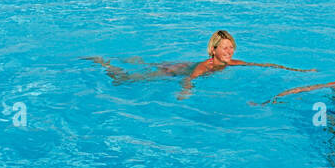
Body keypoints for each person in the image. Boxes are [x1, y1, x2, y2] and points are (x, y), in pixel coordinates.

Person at [86, 30, 313, 99]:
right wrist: (186, 91)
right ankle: (105, 63)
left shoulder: (233, 62)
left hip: (182, 65)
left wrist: (298, 71)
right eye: (224, 48)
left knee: (145, 65)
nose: (229, 51)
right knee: (123, 80)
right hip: (174, 71)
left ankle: (136, 60)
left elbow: (264, 65)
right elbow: (190, 77)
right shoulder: (206, 66)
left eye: (231, 47)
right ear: (213, 50)